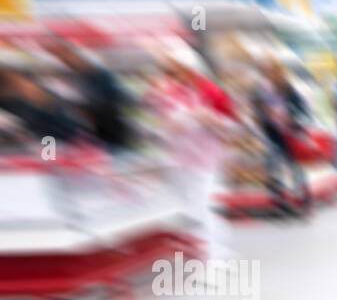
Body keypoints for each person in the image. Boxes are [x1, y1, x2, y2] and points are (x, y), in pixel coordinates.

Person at [150, 41, 240, 256]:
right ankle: (211, 252)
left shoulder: (212, 92)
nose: (171, 73)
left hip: (207, 159)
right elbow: (163, 125)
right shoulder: (171, 91)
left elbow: (234, 127)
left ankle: (211, 255)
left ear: (188, 67)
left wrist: (213, 120)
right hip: (180, 158)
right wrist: (169, 127)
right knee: (195, 208)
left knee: (201, 206)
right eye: (169, 69)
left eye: (174, 68)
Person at [46, 39, 133, 151]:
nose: (65, 61)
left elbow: (117, 100)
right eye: (61, 58)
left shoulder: (99, 75)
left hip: (111, 127)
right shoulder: (79, 76)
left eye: (65, 56)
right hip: (98, 129)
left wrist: (87, 111)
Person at [252, 55, 312, 217]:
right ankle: (280, 205)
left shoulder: (288, 88)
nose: (270, 74)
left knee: (296, 170)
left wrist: (290, 116)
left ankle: (302, 203)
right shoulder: (260, 91)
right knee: (273, 170)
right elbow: (256, 112)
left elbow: (302, 109)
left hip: (291, 135)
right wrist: (264, 113)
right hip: (272, 134)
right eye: (267, 71)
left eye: (273, 70)